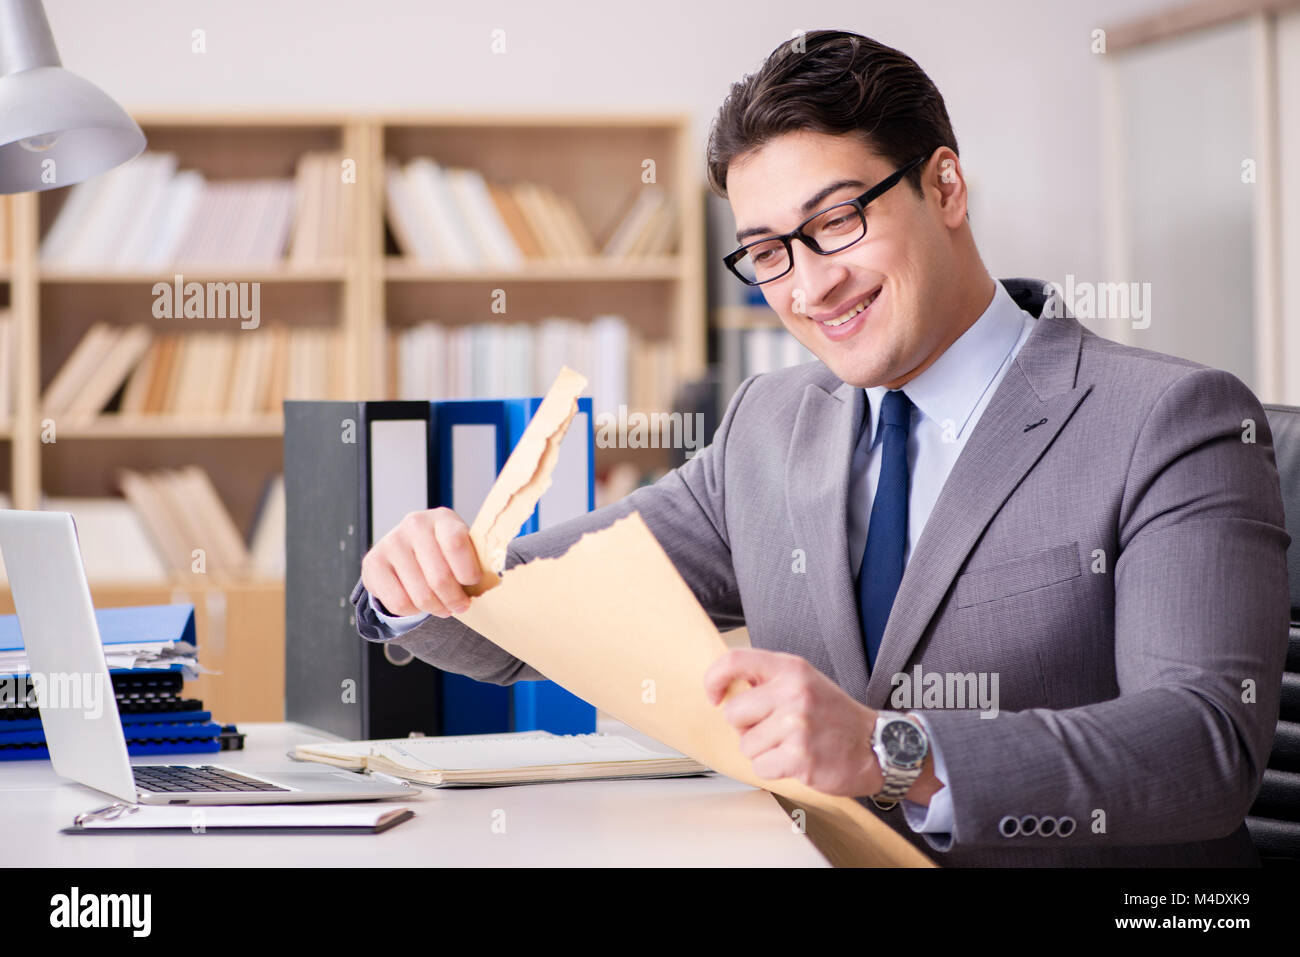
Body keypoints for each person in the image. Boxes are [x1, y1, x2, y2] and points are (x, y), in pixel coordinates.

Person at [350, 30, 1290, 866]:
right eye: (767, 251)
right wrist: (413, 584)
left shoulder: (1170, 417)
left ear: (946, 186)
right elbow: (536, 614)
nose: (808, 285)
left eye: (838, 221)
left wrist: (892, 750)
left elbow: (1204, 749)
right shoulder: (771, 425)